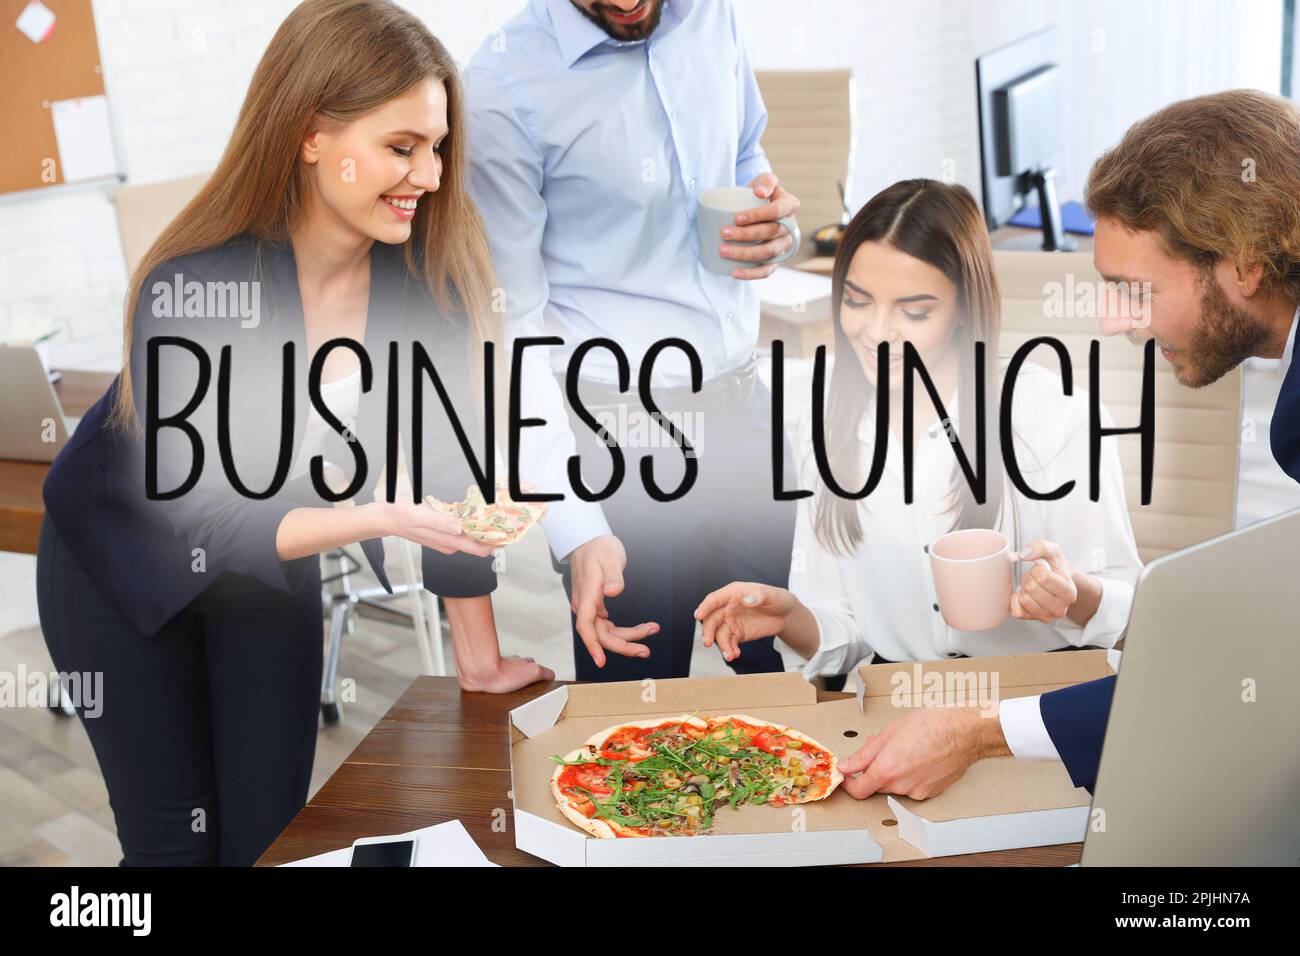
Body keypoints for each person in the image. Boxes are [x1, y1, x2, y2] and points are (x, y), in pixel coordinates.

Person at [36, 0, 649, 866]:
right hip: (120, 566)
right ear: (310, 135)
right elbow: (212, 518)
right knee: (174, 846)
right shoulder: (196, 286)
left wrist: (478, 659)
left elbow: (448, 468)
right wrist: (381, 515)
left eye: (437, 147)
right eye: (402, 147)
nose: (429, 175)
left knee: (269, 840)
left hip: (271, 558)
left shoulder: (423, 280)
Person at [795, 90, 1300, 803]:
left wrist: (985, 729)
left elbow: (1257, 673)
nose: (1114, 323)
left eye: (1135, 289)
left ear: (1245, 265)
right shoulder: (829, 421)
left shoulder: (1051, 416)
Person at [465, 0, 803, 680]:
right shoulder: (500, 88)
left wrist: (775, 228)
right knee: (636, 701)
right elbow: (510, 327)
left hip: (746, 416)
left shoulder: (712, 16)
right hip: (621, 444)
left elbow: (744, 151)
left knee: (776, 678)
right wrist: (578, 526)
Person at [694, 180, 1141, 681]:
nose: (877, 331)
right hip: (905, 693)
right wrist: (791, 618)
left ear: (964, 309)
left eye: (913, 312)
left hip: (1038, 693)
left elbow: (1129, 610)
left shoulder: (1058, 418)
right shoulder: (825, 426)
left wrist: (1074, 595)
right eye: (857, 302)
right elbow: (844, 630)